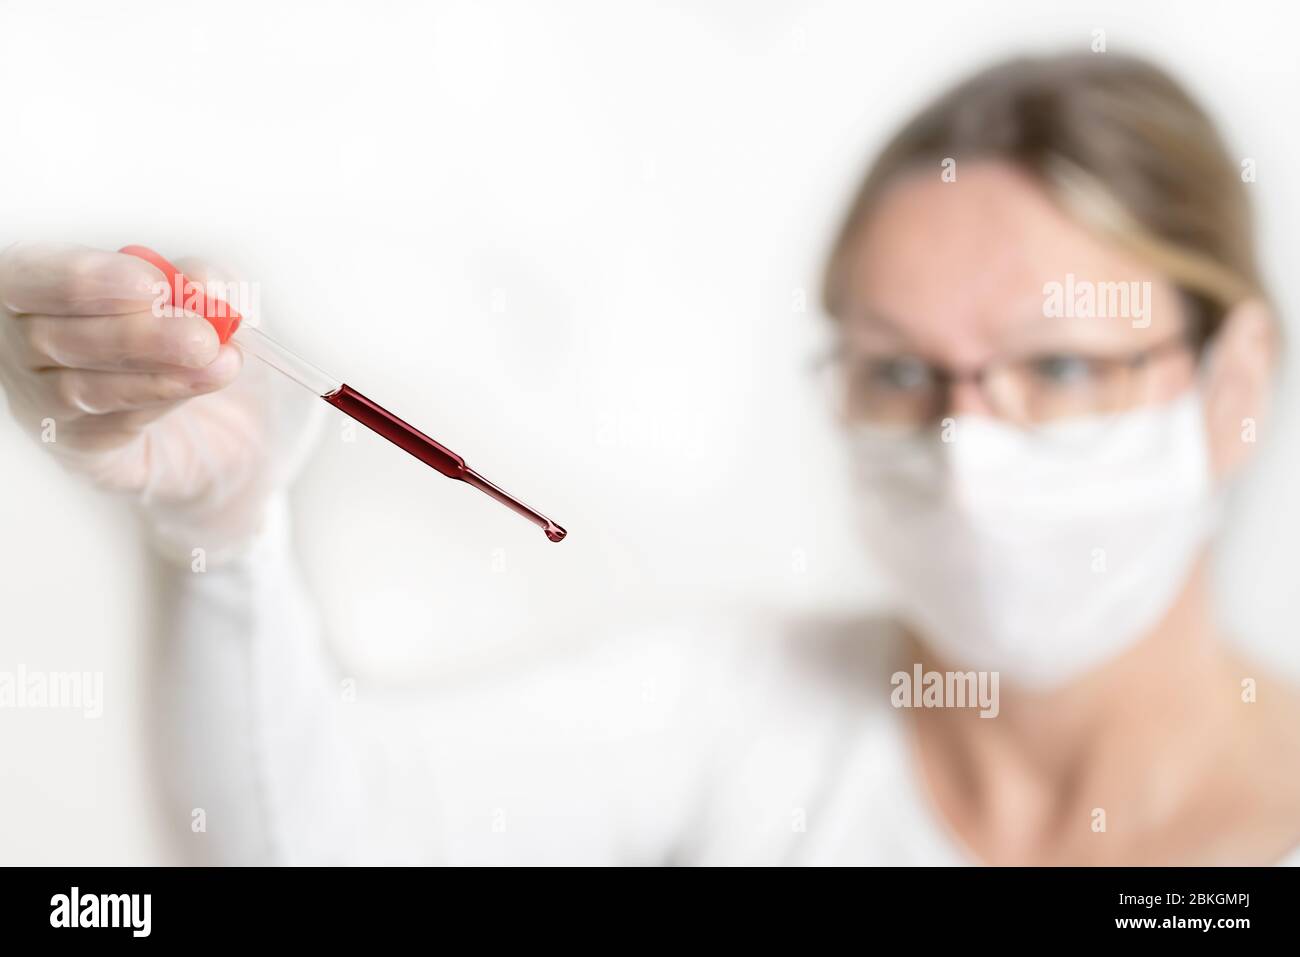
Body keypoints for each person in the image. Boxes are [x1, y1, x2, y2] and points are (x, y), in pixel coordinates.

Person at [3, 53, 1298, 865]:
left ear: (1235, 386)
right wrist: (226, 533)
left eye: (1061, 366)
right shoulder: (742, 715)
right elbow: (308, 841)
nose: (966, 447)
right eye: (899, 371)